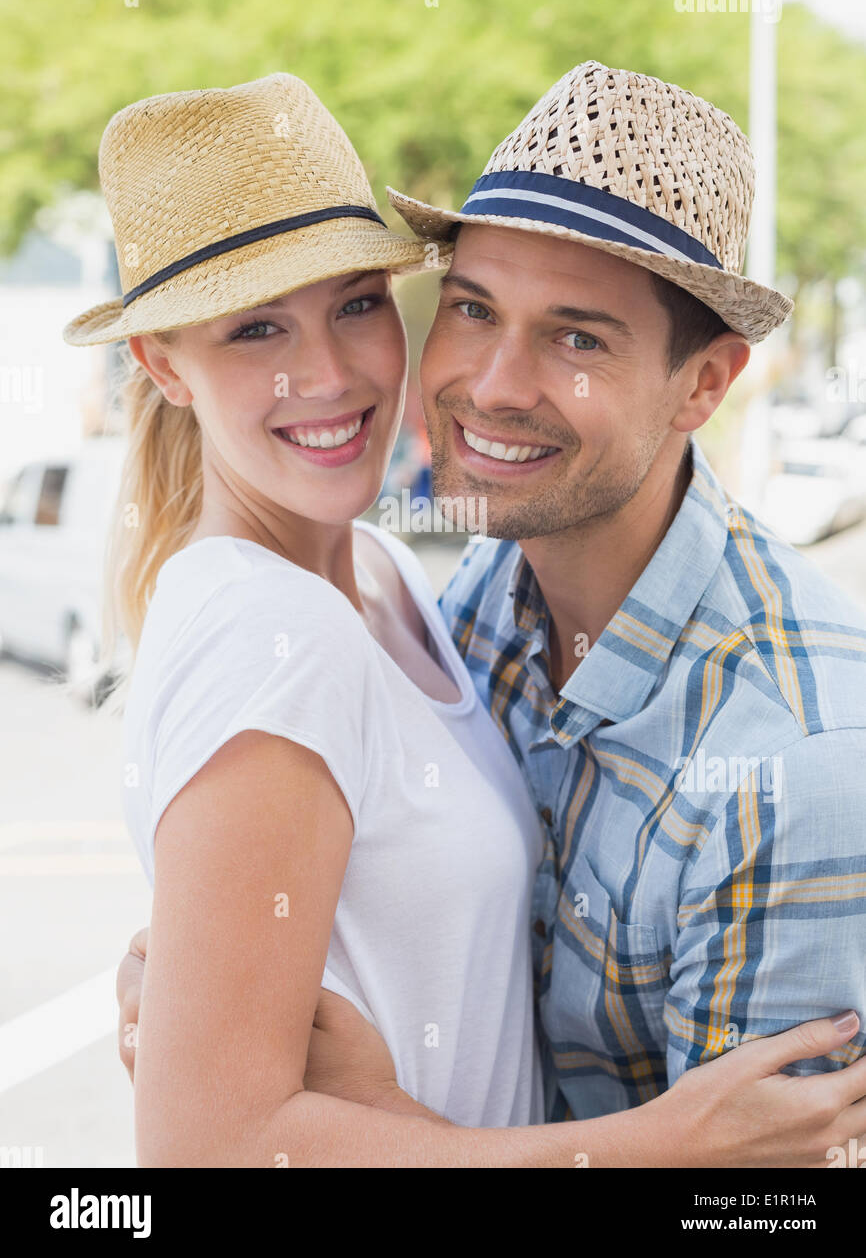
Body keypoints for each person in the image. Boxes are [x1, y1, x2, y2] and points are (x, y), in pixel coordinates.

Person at [103, 71, 866, 1167]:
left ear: (702, 385)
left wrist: (376, 1105)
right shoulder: (463, 607)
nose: (496, 385)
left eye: (577, 338)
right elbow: (214, 1137)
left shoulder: (794, 763)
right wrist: (208, 1003)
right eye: (471, 308)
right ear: (161, 364)